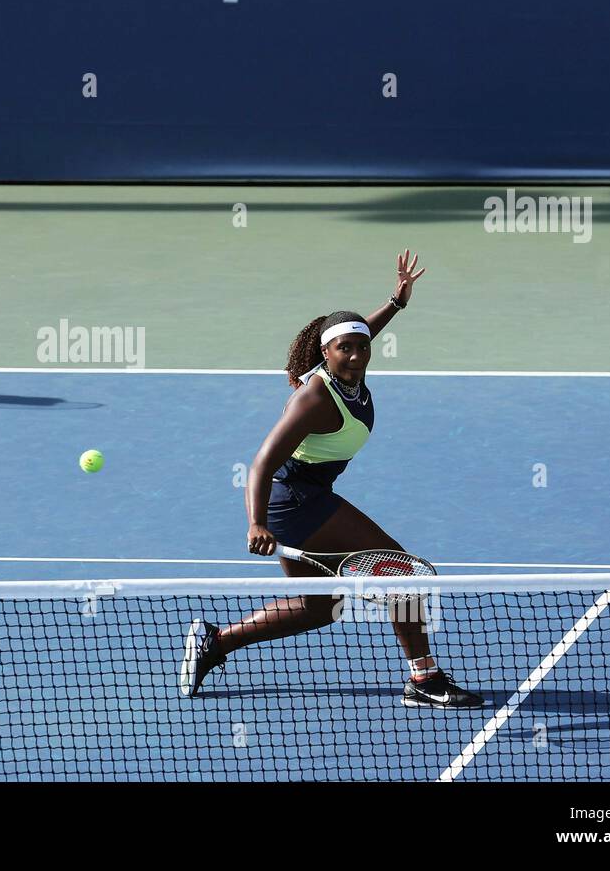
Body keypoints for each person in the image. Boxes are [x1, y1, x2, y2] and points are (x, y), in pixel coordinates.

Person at [180, 250, 483, 709]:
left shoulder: (349, 369)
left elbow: (358, 334)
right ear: (326, 352)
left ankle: (216, 642)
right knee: (402, 576)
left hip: (310, 497)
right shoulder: (315, 399)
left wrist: (396, 303)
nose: (357, 354)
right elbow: (261, 463)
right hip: (295, 503)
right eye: (345, 348)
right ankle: (423, 678)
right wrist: (255, 524)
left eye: (363, 346)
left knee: (319, 607)